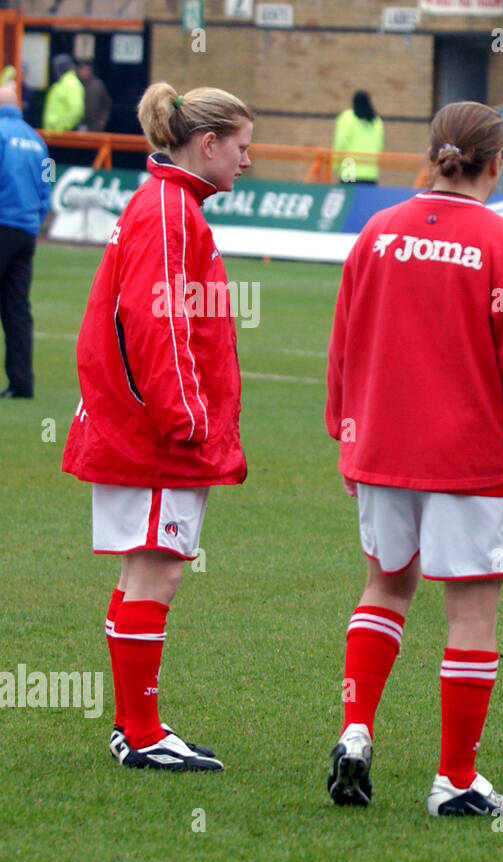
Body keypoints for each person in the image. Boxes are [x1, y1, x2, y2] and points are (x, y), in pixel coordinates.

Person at [325, 100, 503, 817]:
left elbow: (342, 344)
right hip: (465, 458)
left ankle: (356, 731)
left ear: (433, 152)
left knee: (384, 590)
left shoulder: (376, 232)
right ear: (500, 163)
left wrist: (347, 435)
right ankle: (455, 780)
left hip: (379, 447)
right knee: (470, 616)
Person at [61, 82, 254, 772]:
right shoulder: (172, 210)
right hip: (152, 435)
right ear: (207, 144)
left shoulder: (165, 203)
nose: (247, 160)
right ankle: (141, 733)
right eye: (240, 146)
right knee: (157, 574)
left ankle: (132, 723)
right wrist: (188, 417)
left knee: (140, 572)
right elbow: (158, 323)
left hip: (133, 426)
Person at [0, 83, 50, 399]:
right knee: (17, 308)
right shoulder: (37, 140)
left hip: (2, 222)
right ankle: (22, 383)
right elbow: (46, 188)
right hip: (27, 230)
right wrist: (34, 218)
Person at [332, 90, 384, 184]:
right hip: (370, 173)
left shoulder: (347, 117)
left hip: (349, 170)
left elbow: (341, 142)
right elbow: (379, 145)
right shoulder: (376, 121)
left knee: (349, 198)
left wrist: (335, 164)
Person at [41, 53, 83, 132]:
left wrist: (63, 127)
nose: (55, 70)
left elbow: (75, 110)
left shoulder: (71, 83)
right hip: (54, 133)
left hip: (61, 135)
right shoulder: (63, 83)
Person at [76, 60, 111, 132]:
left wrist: (102, 121)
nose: (85, 72)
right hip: (76, 126)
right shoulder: (73, 84)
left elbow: (107, 104)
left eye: (87, 70)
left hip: (94, 127)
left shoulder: (98, 85)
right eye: (83, 70)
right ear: (78, 71)